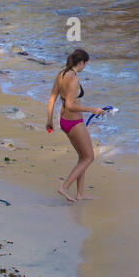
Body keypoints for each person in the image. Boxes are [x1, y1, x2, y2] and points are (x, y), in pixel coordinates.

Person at [47, 48, 105, 202]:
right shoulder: (72, 78)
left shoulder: (62, 74)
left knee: (82, 157)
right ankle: (64, 187)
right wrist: (92, 109)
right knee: (89, 158)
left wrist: (49, 120)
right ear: (81, 62)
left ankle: (80, 193)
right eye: (85, 64)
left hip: (64, 121)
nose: (85, 67)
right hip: (74, 122)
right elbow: (70, 104)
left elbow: (52, 97)